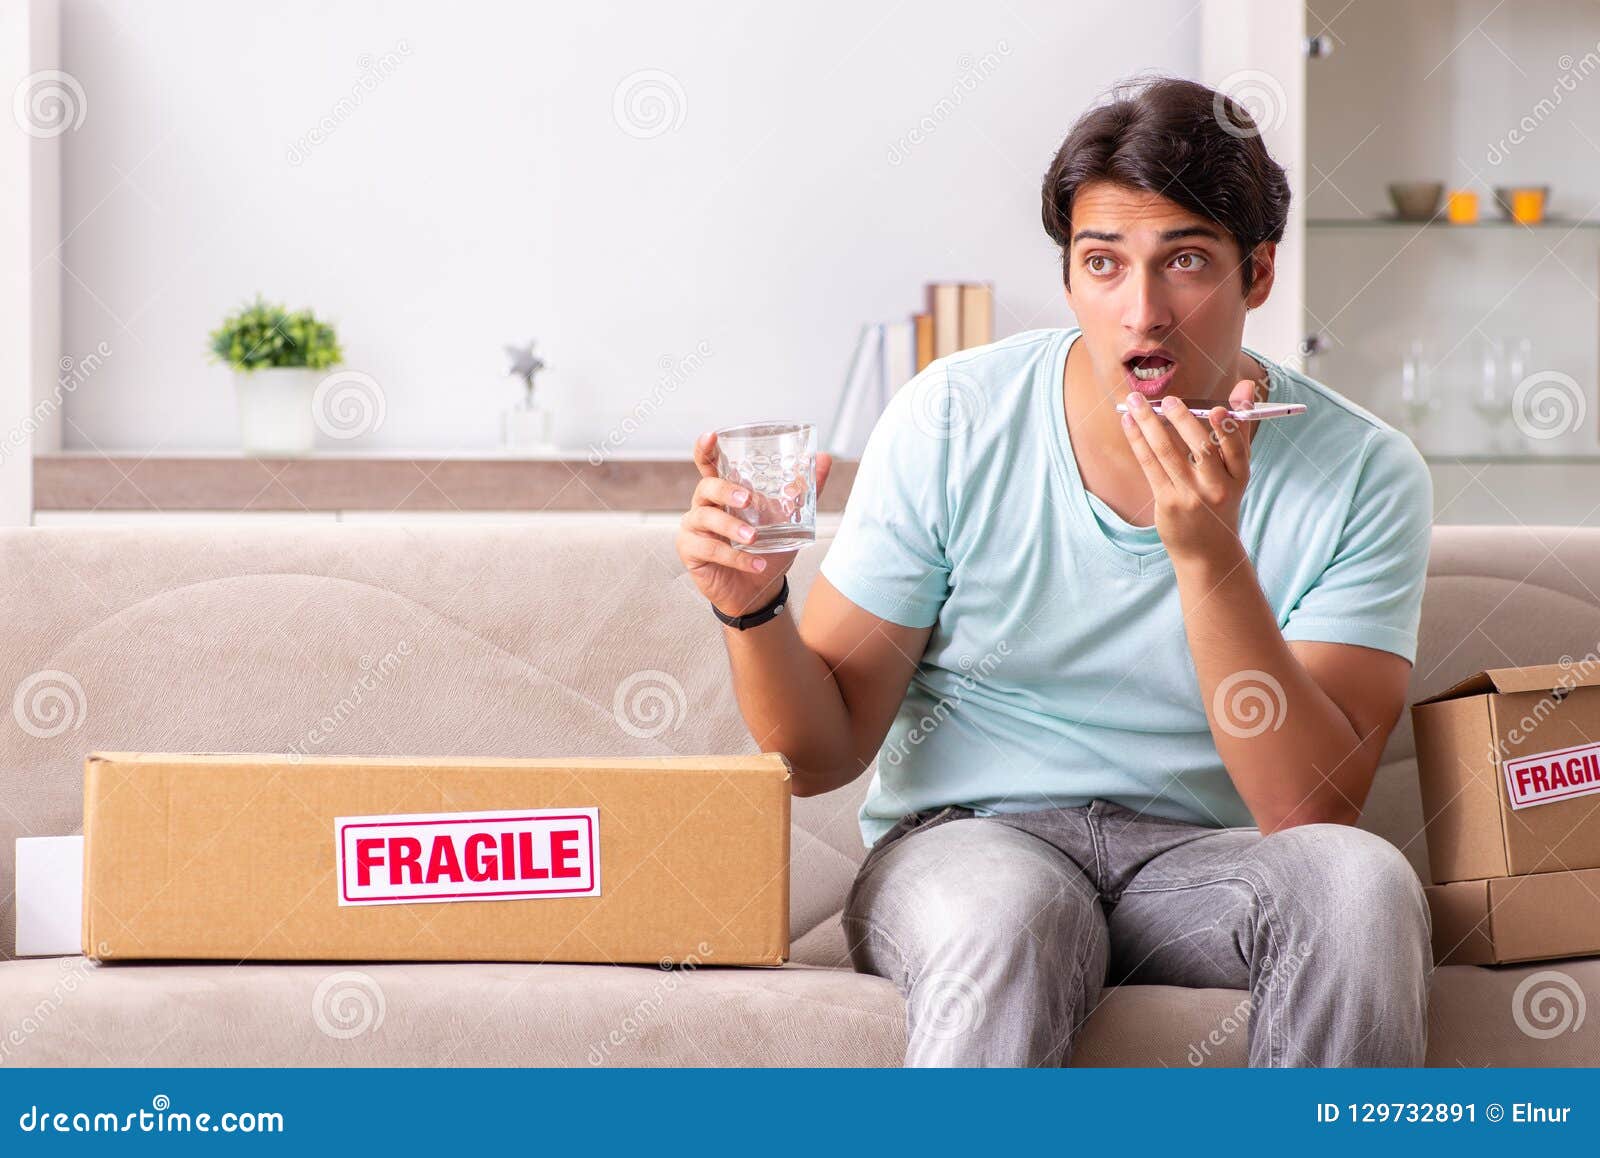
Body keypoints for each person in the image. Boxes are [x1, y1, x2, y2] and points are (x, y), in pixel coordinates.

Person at [675, 75, 1434, 1067]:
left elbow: (1307, 812)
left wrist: (1208, 556)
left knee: (1358, 883)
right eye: (1103, 263)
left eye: (1186, 262)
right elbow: (823, 755)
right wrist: (754, 608)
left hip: (1202, 866)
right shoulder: (955, 417)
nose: (1142, 312)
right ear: (1070, 277)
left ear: (1256, 275)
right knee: (1010, 916)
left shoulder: (1365, 471)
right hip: (968, 847)